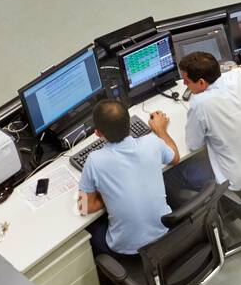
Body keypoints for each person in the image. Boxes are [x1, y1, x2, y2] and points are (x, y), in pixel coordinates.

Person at [77, 98, 179, 260]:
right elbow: (175, 157)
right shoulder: (152, 142)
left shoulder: (94, 161)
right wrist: (161, 130)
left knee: (92, 231)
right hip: (165, 237)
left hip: (130, 253)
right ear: (129, 123)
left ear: (98, 133)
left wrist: (110, 195)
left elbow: (84, 207)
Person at [163, 51, 241, 199]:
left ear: (201, 82)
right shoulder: (239, 77)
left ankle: (206, 213)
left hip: (237, 180)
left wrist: (161, 130)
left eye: (187, 81)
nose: (184, 84)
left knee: (171, 174)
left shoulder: (201, 104)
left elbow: (194, 145)